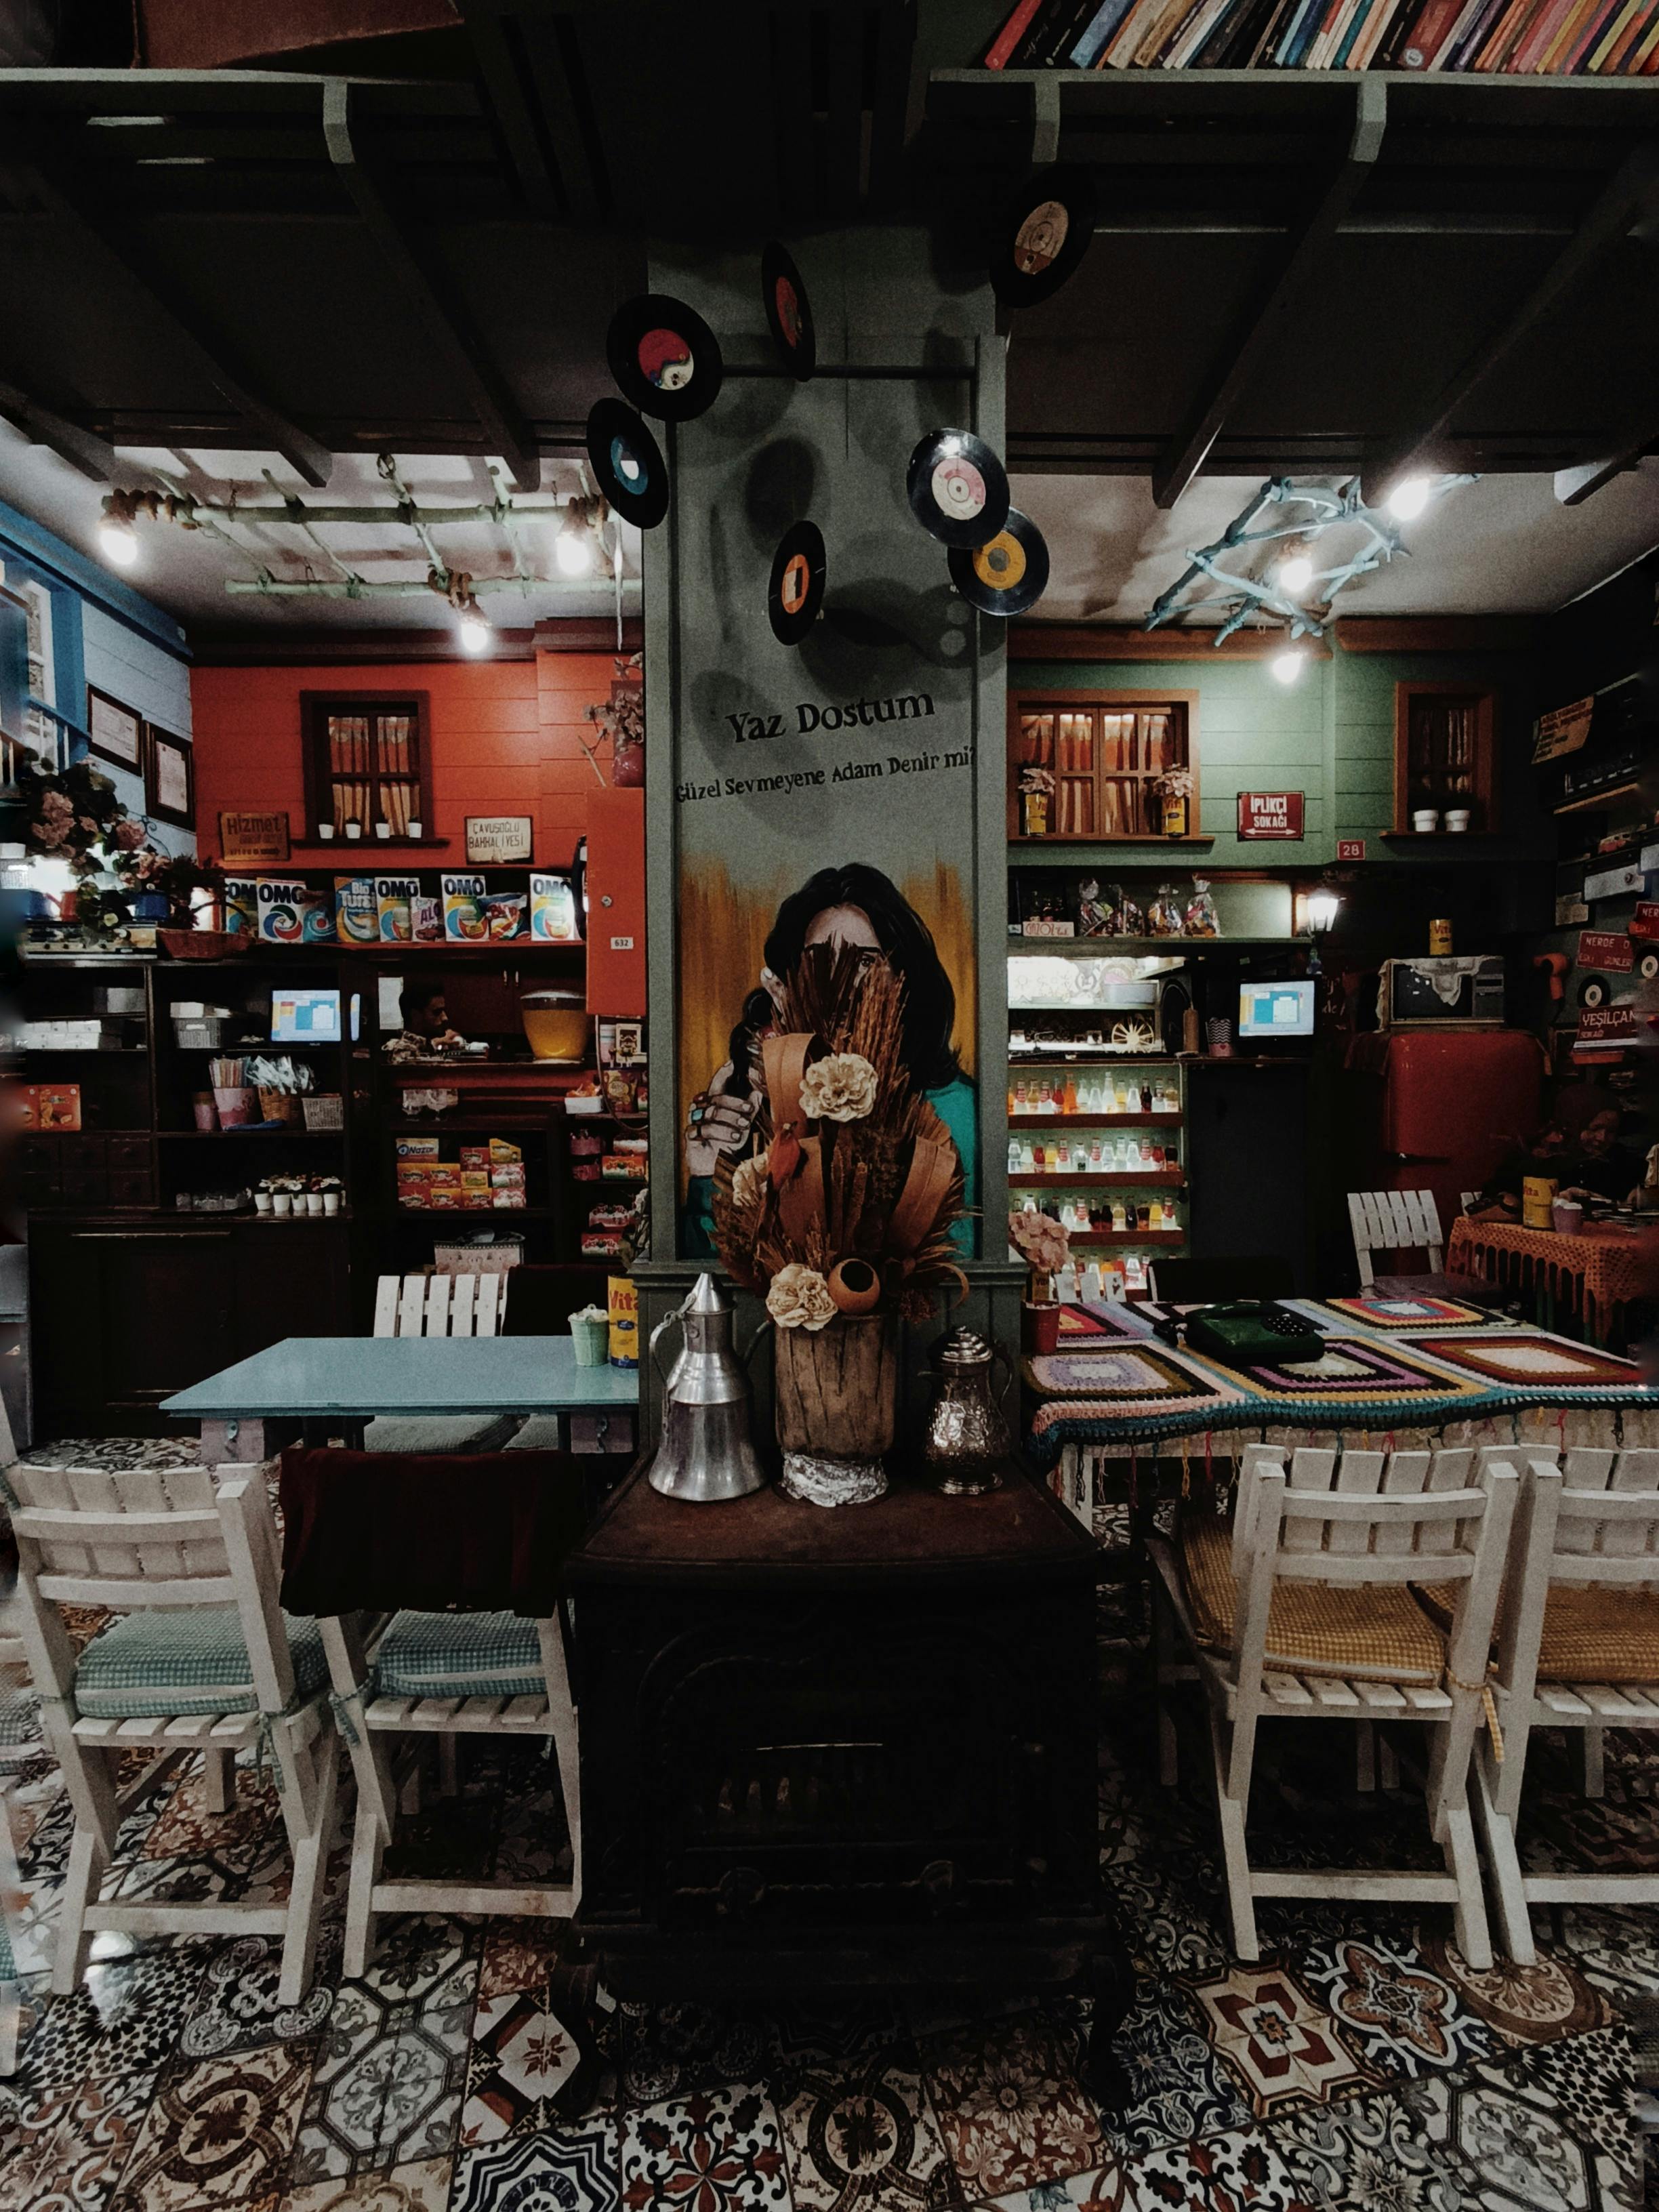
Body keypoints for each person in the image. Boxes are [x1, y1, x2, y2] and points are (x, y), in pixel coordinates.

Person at [683, 863, 977, 1257]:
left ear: (904, 977)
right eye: (819, 959)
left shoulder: (951, 1107)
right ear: (788, 980)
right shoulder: (760, 1094)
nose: (840, 979)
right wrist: (708, 1174)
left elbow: (958, 1265)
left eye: (865, 962)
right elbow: (710, 1272)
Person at [1558, 1107, 1646, 1207]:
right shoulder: (1557, 1163)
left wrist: (1642, 1195)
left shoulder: (1624, 1162)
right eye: (1595, 1129)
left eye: (1611, 1131)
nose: (1602, 1137)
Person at [383, 980, 467, 1063]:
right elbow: (410, 1069)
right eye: (436, 1012)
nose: (445, 1018)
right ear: (416, 1016)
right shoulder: (398, 1048)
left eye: (444, 1011)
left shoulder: (437, 1046)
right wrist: (433, 1045)